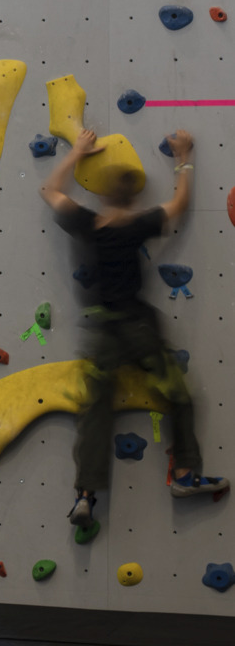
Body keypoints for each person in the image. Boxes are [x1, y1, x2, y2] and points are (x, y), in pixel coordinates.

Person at [39, 127, 224, 528]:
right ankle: (184, 474)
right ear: (134, 196)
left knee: (95, 413)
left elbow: (49, 190)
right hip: (139, 327)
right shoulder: (139, 224)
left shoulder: (88, 223)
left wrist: (79, 151)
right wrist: (183, 157)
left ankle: (85, 495)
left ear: (102, 196)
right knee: (179, 396)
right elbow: (181, 202)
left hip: (102, 331)